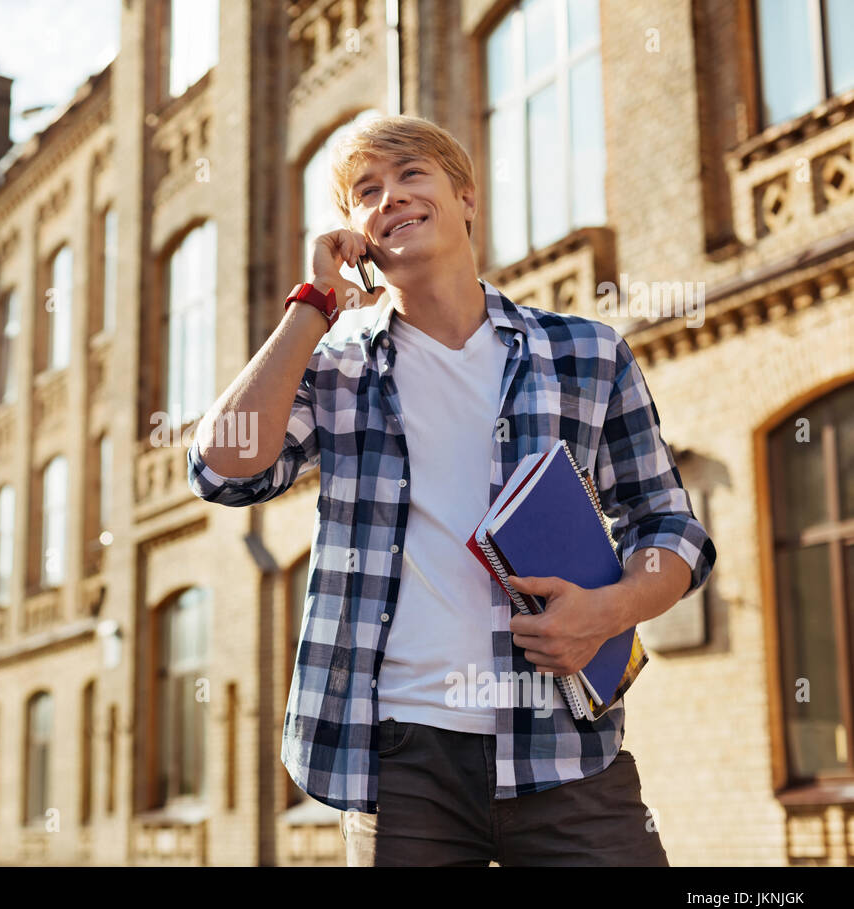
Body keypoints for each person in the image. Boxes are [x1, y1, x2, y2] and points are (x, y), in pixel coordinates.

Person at [185, 114, 715, 866]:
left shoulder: (586, 354)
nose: (391, 198)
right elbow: (222, 469)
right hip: (400, 765)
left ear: (466, 196)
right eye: (367, 191)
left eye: (411, 176)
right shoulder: (335, 370)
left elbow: (670, 528)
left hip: (565, 753)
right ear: (355, 234)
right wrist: (314, 301)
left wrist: (609, 611)